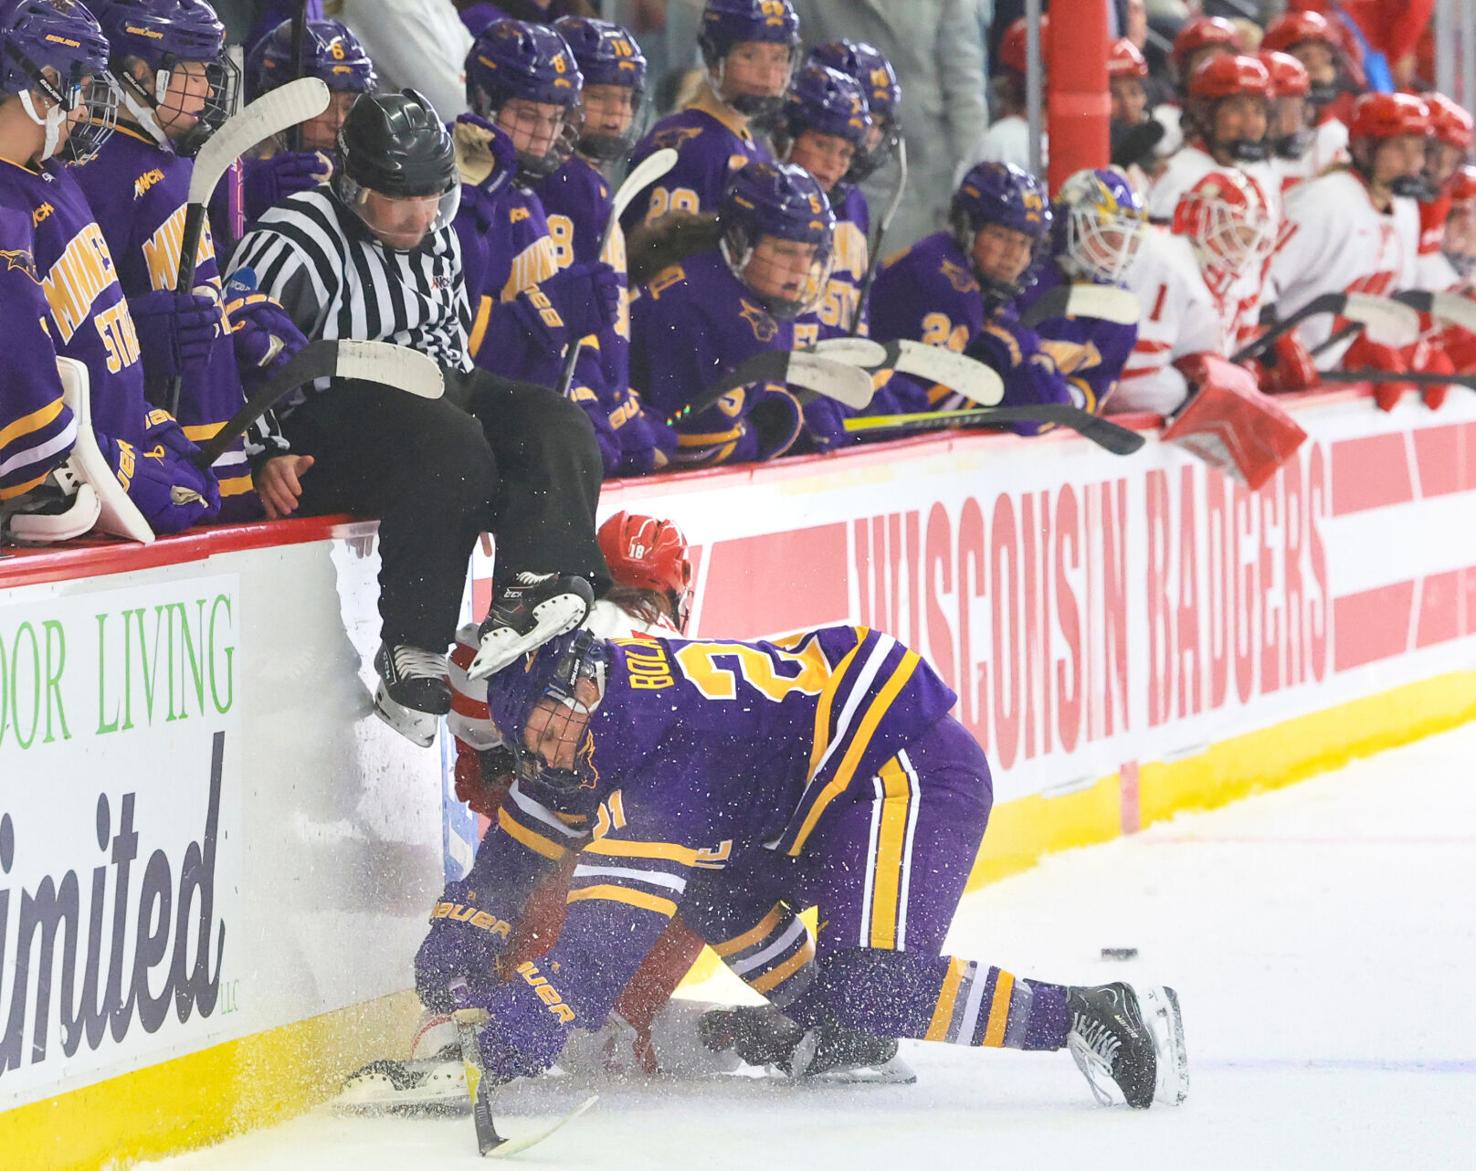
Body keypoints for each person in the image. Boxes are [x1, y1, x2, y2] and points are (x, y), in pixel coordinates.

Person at [412, 623, 1189, 1108]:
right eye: (541, 739)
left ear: (585, 678)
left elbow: (596, 954)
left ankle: (1091, 1010)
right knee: (710, 880)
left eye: (563, 718)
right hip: (805, 809)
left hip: (899, 768)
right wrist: (459, 933)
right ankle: (843, 1030)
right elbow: (514, 853)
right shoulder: (598, 710)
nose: (561, 744)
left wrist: (517, 1026)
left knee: (877, 987)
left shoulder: (659, 753)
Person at [228, 89, 605, 744]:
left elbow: (454, 355)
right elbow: (229, 343)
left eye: (431, 194)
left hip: (435, 399)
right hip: (336, 415)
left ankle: (525, 601)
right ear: (353, 181)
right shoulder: (294, 234)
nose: (419, 213)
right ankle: (414, 651)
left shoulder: (437, 234)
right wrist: (262, 449)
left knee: (554, 422)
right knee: (449, 441)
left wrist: (504, 475)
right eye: (399, 195)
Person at [0, 0, 218, 540]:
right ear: (40, 80)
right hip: (72, 494)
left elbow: (92, 337)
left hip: (111, 453)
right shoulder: (6, 212)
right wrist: (85, 472)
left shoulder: (55, 178)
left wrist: (149, 431)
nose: (81, 106)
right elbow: (25, 376)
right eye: (74, 83)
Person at [76, 0, 289, 521]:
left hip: (211, 420)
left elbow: (198, 277)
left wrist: (238, 313)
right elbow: (78, 315)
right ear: (139, 73)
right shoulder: (96, 170)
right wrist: (143, 325)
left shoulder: (178, 158)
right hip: (155, 439)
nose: (208, 89)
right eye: (192, 73)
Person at [450, 19, 622, 470]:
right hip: (465, 437)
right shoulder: (455, 192)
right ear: (485, 101)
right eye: (528, 115)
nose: (545, 133)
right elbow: (454, 346)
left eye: (556, 118)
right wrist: (547, 311)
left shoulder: (524, 193)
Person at [535, 15, 676, 477]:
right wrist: (603, 407)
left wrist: (621, 402)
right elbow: (570, 319)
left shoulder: (589, 182)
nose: (616, 115)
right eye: (598, 97)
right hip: (566, 403)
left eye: (625, 100)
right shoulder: (562, 185)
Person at [630, 160, 834, 466]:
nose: (801, 270)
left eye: (810, 254)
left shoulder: (706, 271)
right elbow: (692, 448)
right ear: (740, 240)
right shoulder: (714, 310)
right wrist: (766, 432)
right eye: (786, 251)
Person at [869, 162, 1084, 435]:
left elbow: (1046, 409)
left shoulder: (977, 280)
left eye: (1025, 242)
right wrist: (1001, 359)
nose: (1014, 255)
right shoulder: (948, 286)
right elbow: (936, 415)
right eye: (1000, 236)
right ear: (968, 227)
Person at [1269, 91, 1428, 411]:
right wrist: (1276, 348)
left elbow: (1392, 299)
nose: (1413, 162)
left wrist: (1367, 345)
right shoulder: (1322, 204)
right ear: (1366, 148)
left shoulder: (1406, 210)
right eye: (1399, 148)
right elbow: (1259, 283)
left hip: (1328, 384)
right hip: (1274, 383)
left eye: (1418, 149)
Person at [620, 0, 798, 233]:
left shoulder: (753, 146)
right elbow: (664, 258)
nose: (768, 73)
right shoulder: (685, 146)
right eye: (749, 55)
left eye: (778, 57)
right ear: (714, 59)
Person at [1118, 168, 1274, 414]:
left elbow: (1238, 355)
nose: (1243, 252)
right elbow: (1131, 380)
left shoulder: (1233, 276)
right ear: (1200, 218)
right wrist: (1193, 393)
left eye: (1249, 240)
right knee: (1172, 390)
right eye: (1234, 235)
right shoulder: (1166, 262)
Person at [225, 18, 377, 234]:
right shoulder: (227, 165)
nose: (339, 121)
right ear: (275, 97)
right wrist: (241, 197)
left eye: (348, 105)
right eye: (323, 104)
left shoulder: (363, 162)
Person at [1013, 167, 1145, 416]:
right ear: (1067, 224)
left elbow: (1097, 381)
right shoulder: (1021, 270)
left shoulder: (1119, 311)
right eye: (1106, 236)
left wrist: (1067, 400)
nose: (1116, 253)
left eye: (1127, 240)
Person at [1259, 8, 1352, 191]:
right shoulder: (1249, 133)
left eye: (1324, 57)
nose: (1317, 68)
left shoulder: (1338, 135)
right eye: (1305, 57)